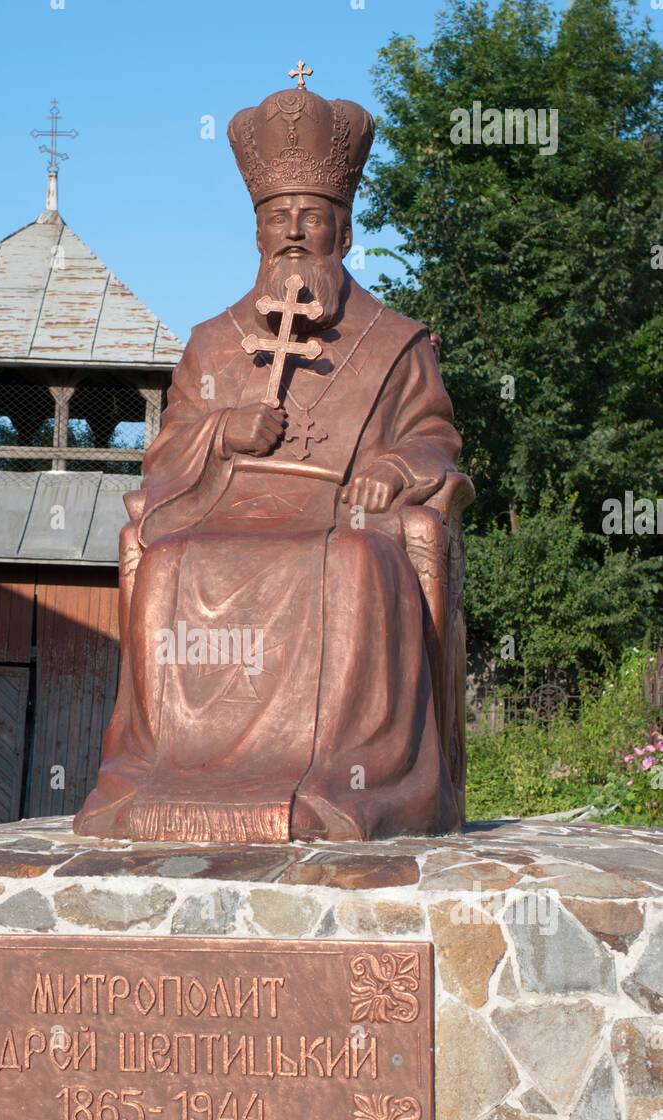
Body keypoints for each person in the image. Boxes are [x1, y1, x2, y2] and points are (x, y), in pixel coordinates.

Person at [75, 75, 467, 843]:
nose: (292, 233)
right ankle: (165, 774)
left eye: (310, 218)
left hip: (347, 515)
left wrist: (395, 470)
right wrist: (224, 431)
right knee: (164, 562)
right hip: (225, 508)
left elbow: (434, 439)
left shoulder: (398, 343)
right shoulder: (211, 342)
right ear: (257, 235)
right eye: (276, 219)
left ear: (342, 234)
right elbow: (165, 455)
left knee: (356, 562)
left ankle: (345, 776)